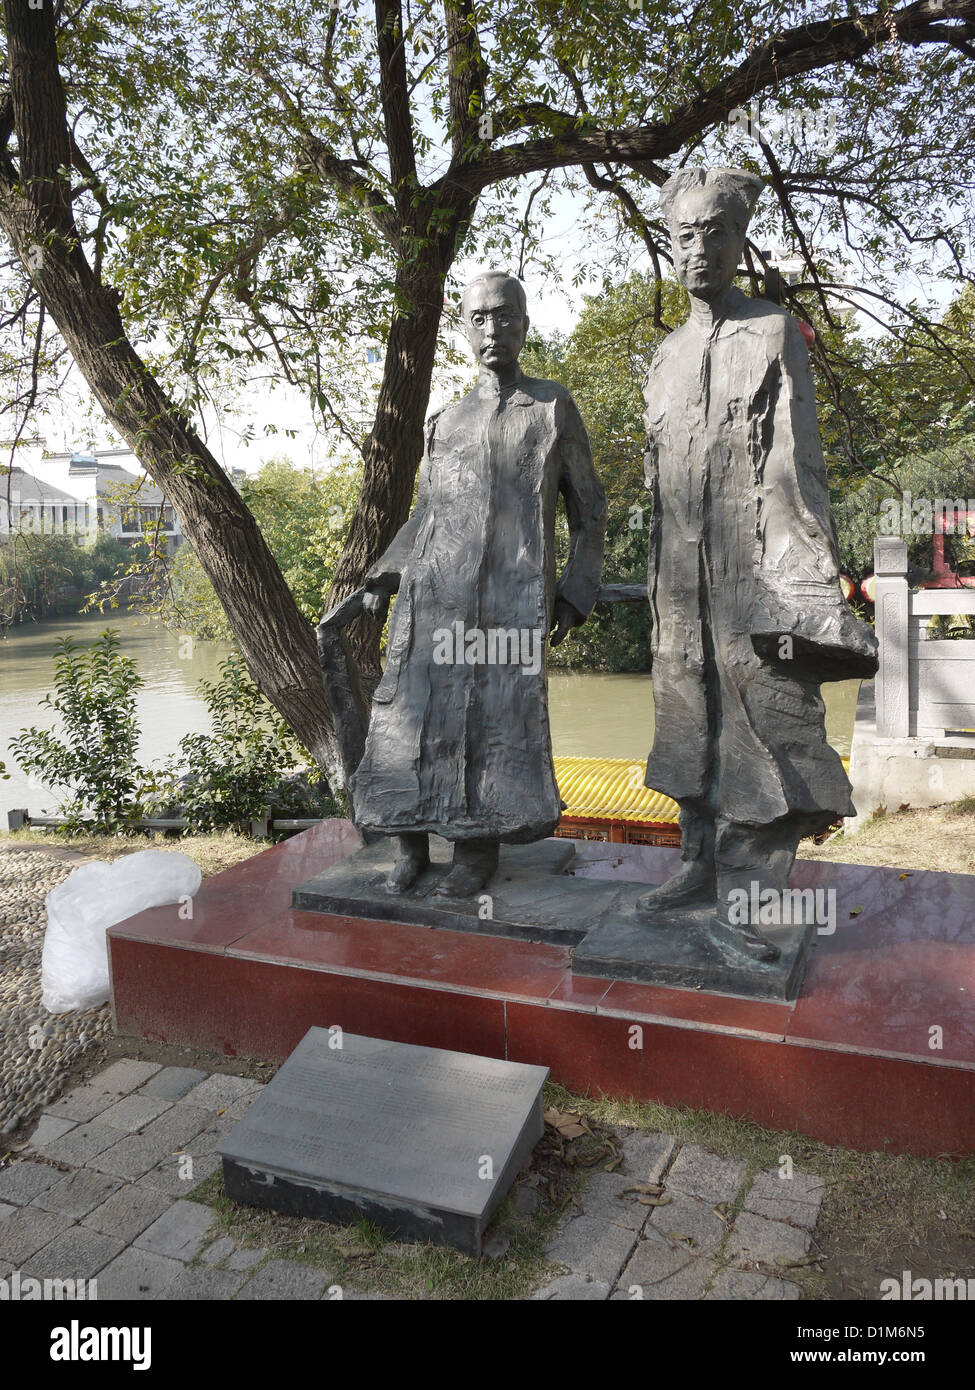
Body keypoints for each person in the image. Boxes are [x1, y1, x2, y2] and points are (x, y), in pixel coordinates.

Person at [638, 168, 877, 960]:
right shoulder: (665, 354)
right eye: (684, 234)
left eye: (716, 231)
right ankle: (696, 867)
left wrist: (808, 587)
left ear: (739, 242)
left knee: (762, 727)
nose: (699, 248)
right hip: (678, 581)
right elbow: (654, 478)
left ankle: (748, 896)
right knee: (687, 722)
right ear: (669, 247)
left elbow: (796, 462)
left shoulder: (772, 330)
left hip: (753, 572)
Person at [350, 271, 606, 898]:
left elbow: (590, 508)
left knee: (491, 722)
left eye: (505, 316)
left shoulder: (550, 407)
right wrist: (384, 575)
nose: (493, 329)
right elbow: (428, 512)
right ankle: (408, 842)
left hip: (508, 602)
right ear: (465, 329)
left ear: (524, 323)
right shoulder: (446, 420)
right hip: (432, 597)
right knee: (407, 720)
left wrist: (576, 589)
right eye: (480, 318)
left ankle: (475, 848)